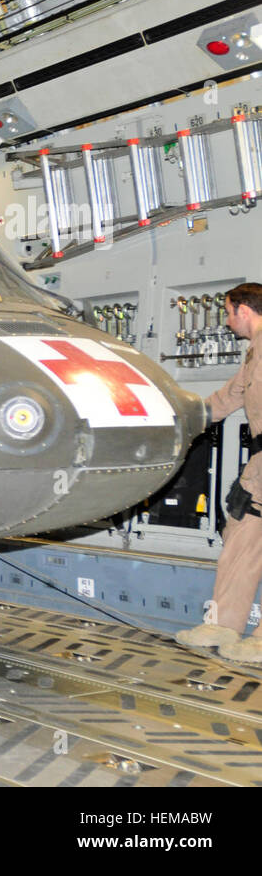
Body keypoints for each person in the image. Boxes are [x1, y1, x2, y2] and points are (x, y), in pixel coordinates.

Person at [177, 283, 262, 662]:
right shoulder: (254, 352)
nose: (227, 322)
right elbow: (228, 398)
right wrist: (178, 417)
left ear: (244, 309)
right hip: (260, 464)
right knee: (241, 534)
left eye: (228, 312)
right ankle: (222, 624)